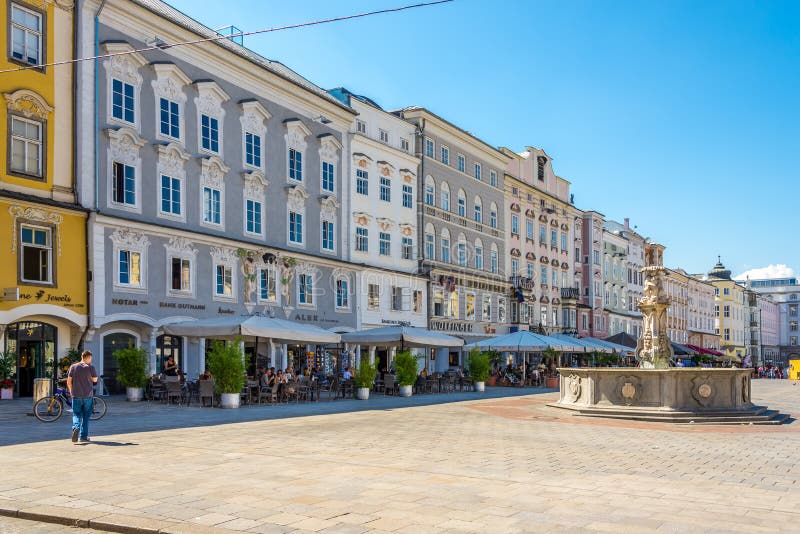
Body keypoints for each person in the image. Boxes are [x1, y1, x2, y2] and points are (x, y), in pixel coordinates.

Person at [67, 350, 98, 444]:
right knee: (86, 416)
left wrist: (71, 392)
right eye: (90, 359)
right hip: (88, 395)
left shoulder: (73, 366)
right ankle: (83, 437)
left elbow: (69, 381)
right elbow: (95, 380)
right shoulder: (90, 367)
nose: (90, 360)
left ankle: (76, 428)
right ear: (88, 357)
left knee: (76, 414)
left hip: (76, 395)